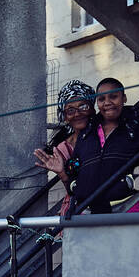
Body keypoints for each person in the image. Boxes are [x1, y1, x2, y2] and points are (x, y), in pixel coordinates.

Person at [65, 78, 139, 214]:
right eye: (101, 99)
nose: (107, 103)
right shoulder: (86, 133)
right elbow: (74, 168)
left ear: (124, 98)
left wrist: (130, 183)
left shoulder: (138, 129)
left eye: (113, 97)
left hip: (125, 207)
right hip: (88, 211)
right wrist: (76, 187)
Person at [33, 80, 95, 217]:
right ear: (65, 116)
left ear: (92, 108)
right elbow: (73, 190)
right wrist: (62, 174)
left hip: (108, 205)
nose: (77, 113)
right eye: (71, 110)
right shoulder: (63, 148)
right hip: (79, 211)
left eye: (83, 106)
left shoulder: (104, 135)